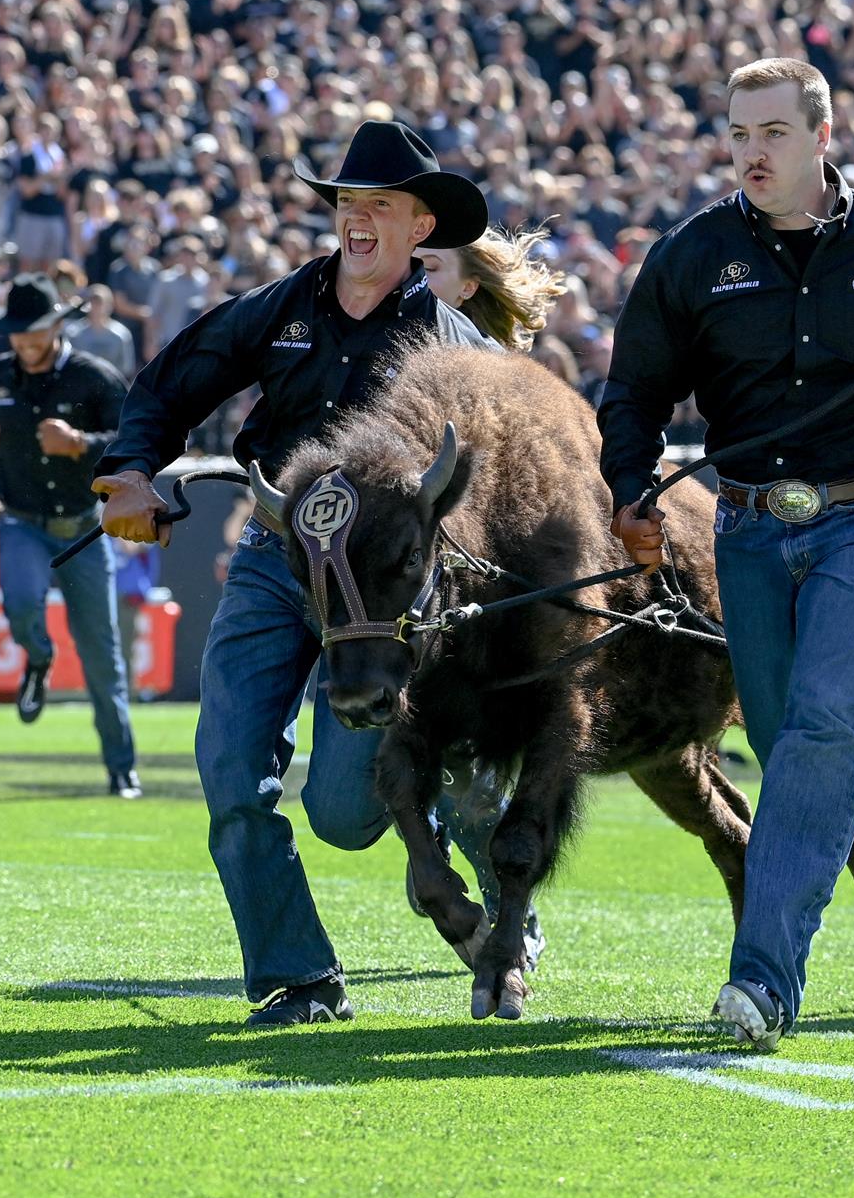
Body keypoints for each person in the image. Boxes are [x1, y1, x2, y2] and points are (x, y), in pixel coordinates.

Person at [598, 59, 854, 1050]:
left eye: (772, 132)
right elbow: (634, 386)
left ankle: (763, 980)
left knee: (821, 732)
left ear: (821, 137)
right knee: (788, 754)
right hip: (744, 528)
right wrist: (628, 487)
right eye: (738, 133)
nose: (752, 152)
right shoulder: (690, 257)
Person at [92, 119, 528, 1026]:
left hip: (380, 586)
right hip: (277, 557)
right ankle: (300, 977)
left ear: (421, 228)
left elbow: (512, 460)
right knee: (229, 766)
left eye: (381, 206)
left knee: (342, 813)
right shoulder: (279, 308)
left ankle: (477, 841)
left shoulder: (454, 347)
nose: (357, 220)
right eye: (347, 203)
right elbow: (169, 383)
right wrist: (133, 470)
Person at [0, 275, 142, 798]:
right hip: (21, 520)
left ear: (57, 326)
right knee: (19, 603)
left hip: (83, 528)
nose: (27, 342)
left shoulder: (94, 376)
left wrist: (82, 443)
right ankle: (37, 658)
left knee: (101, 654)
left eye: (36, 331)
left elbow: (134, 438)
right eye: (19, 333)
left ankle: (121, 768)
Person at [417, 225, 566, 351]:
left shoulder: (482, 356)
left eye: (429, 268)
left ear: (468, 287)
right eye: (408, 263)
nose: (414, 274)